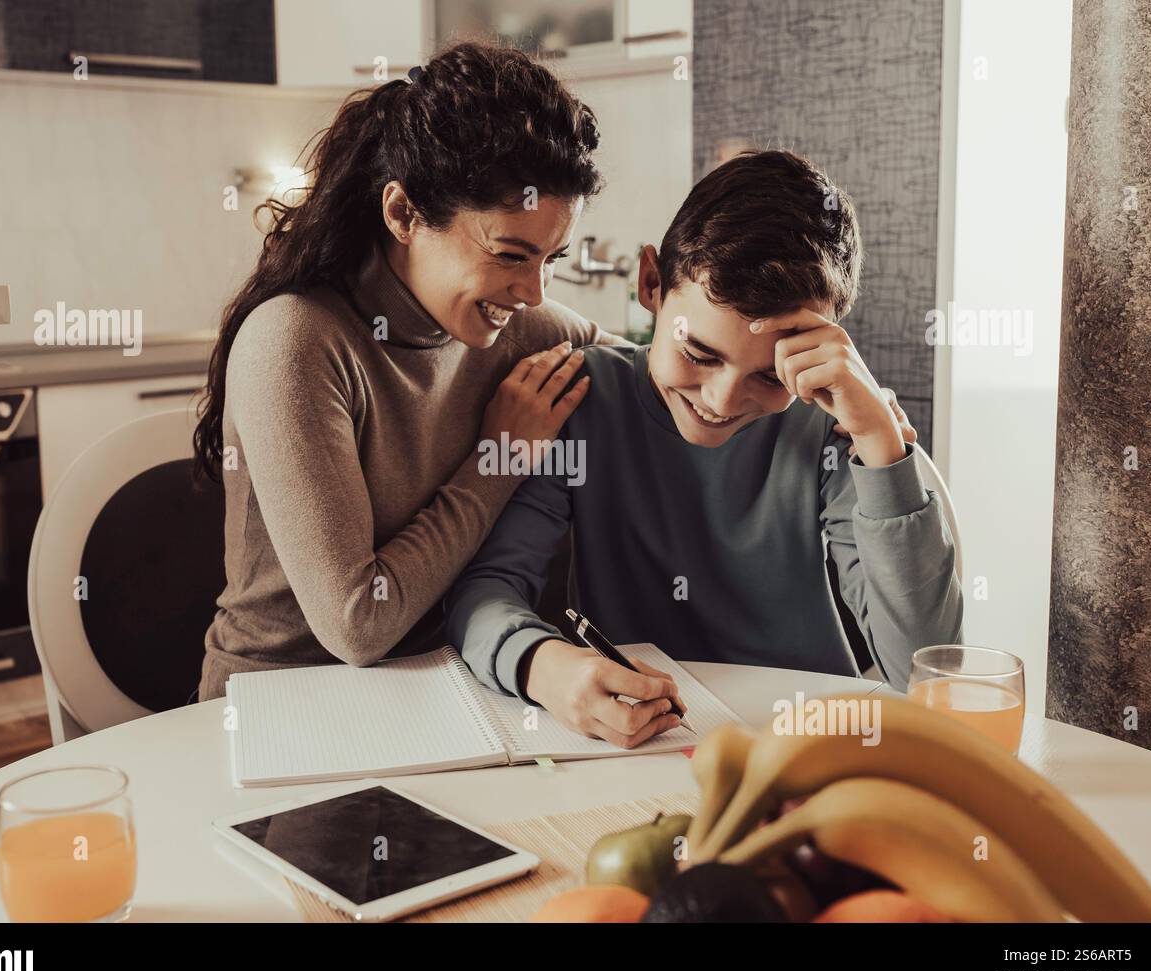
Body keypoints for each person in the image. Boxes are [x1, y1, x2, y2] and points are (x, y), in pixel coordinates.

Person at [445, 150, 964, 747]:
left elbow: (927, 674)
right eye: (698, 354)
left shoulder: (834, 429)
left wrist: (882, 448)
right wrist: (544, 666)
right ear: (651, 284)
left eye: (770, 377)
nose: (720, 399)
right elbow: (486, 591)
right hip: (650, 747)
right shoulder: (578, 401)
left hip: (813, 744)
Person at [193, 42, 614, 701]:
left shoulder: (519, 323)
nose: (533, 291)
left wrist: (825, 398)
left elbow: (669, 385)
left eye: (550, 259)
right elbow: (358, 623)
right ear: (404, 214)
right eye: (511, 254)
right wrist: (501, 455)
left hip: (442, 692)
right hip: (282, 707)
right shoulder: (297, 341)